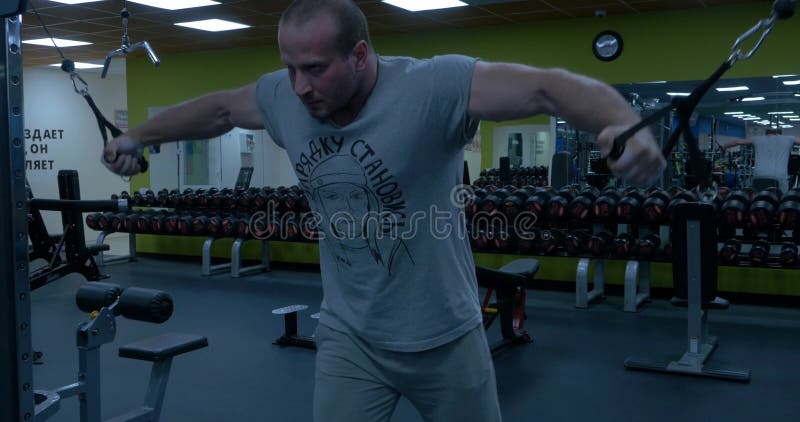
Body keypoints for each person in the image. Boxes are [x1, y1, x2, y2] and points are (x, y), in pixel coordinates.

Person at [102, 0, 665, 420]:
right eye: (290, 67)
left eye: (316, 68)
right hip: (350, 338)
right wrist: (137, 137)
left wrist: (620, 126)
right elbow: (220, 110)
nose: (298, 87)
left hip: (446, 337)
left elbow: (545, 88)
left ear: (360, 54)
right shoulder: (284, 94)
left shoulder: (432, 86)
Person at [724, 128, 800, 192]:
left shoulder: (757, 139)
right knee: (782, 199)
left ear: (766, 134)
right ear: (777, 134)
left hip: (759, 175)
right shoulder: (789, 138)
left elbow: (737, 142)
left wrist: (724, 146)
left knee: (759, 198)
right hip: (779, 176)